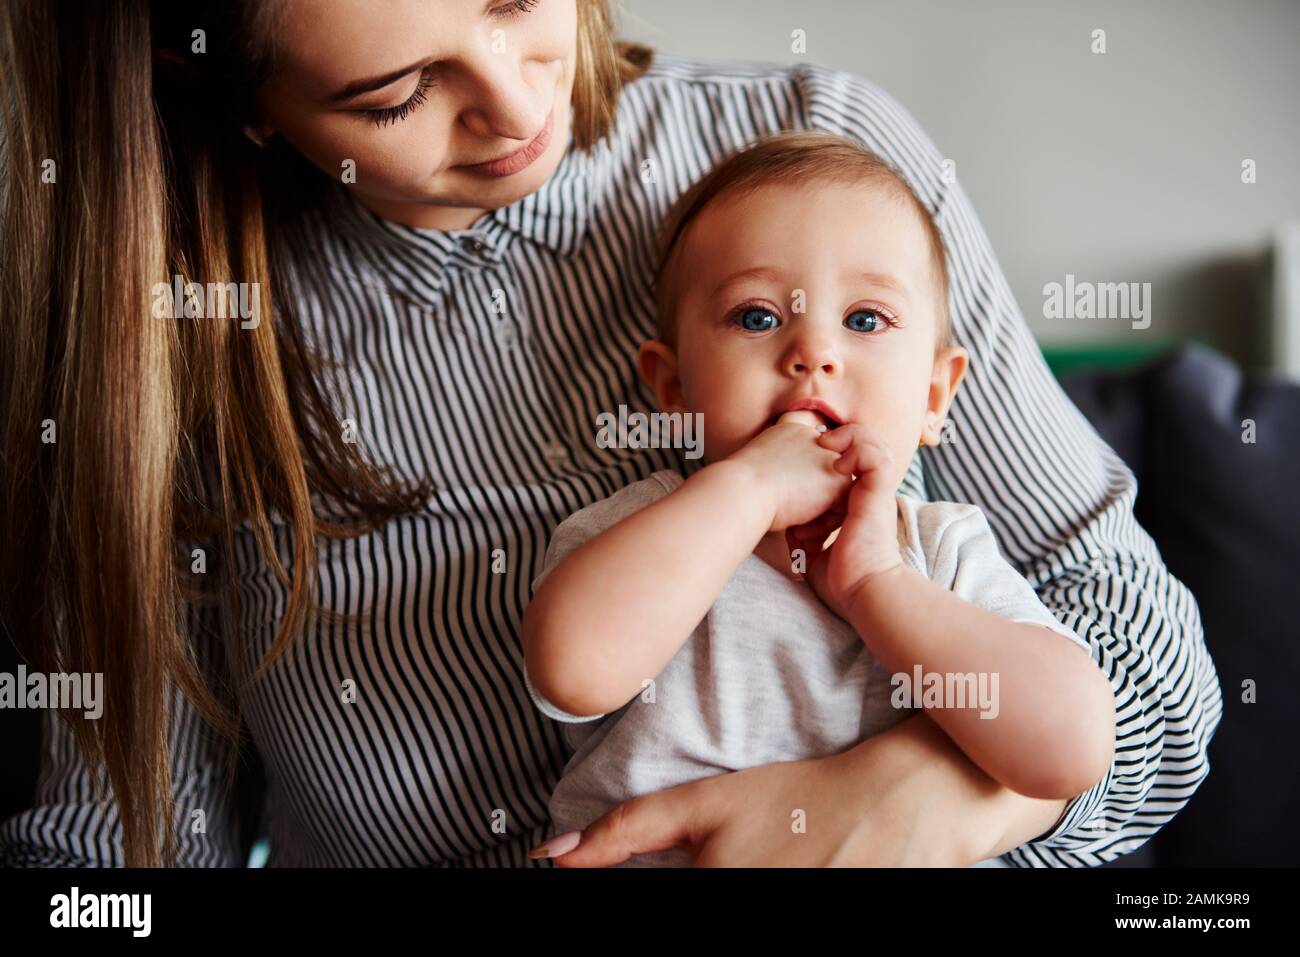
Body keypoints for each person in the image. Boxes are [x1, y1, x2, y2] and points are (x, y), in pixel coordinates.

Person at [0, 0, 1221, 867]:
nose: (517, 99)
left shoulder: (820, 170)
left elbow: (1150, 686)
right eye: (398, 94)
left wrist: (911, 806)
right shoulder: (158, 340)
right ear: (246, 103)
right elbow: (114, 849)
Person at [521, 131, 1117, 867]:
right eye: (757, 317)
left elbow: (1070, 748)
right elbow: (572, 669)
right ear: (674, 391)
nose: (814, 353)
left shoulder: (941, 551)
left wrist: (877, 584)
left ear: (934, 397)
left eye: (865, 320)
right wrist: (747, 486)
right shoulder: (643, 529)